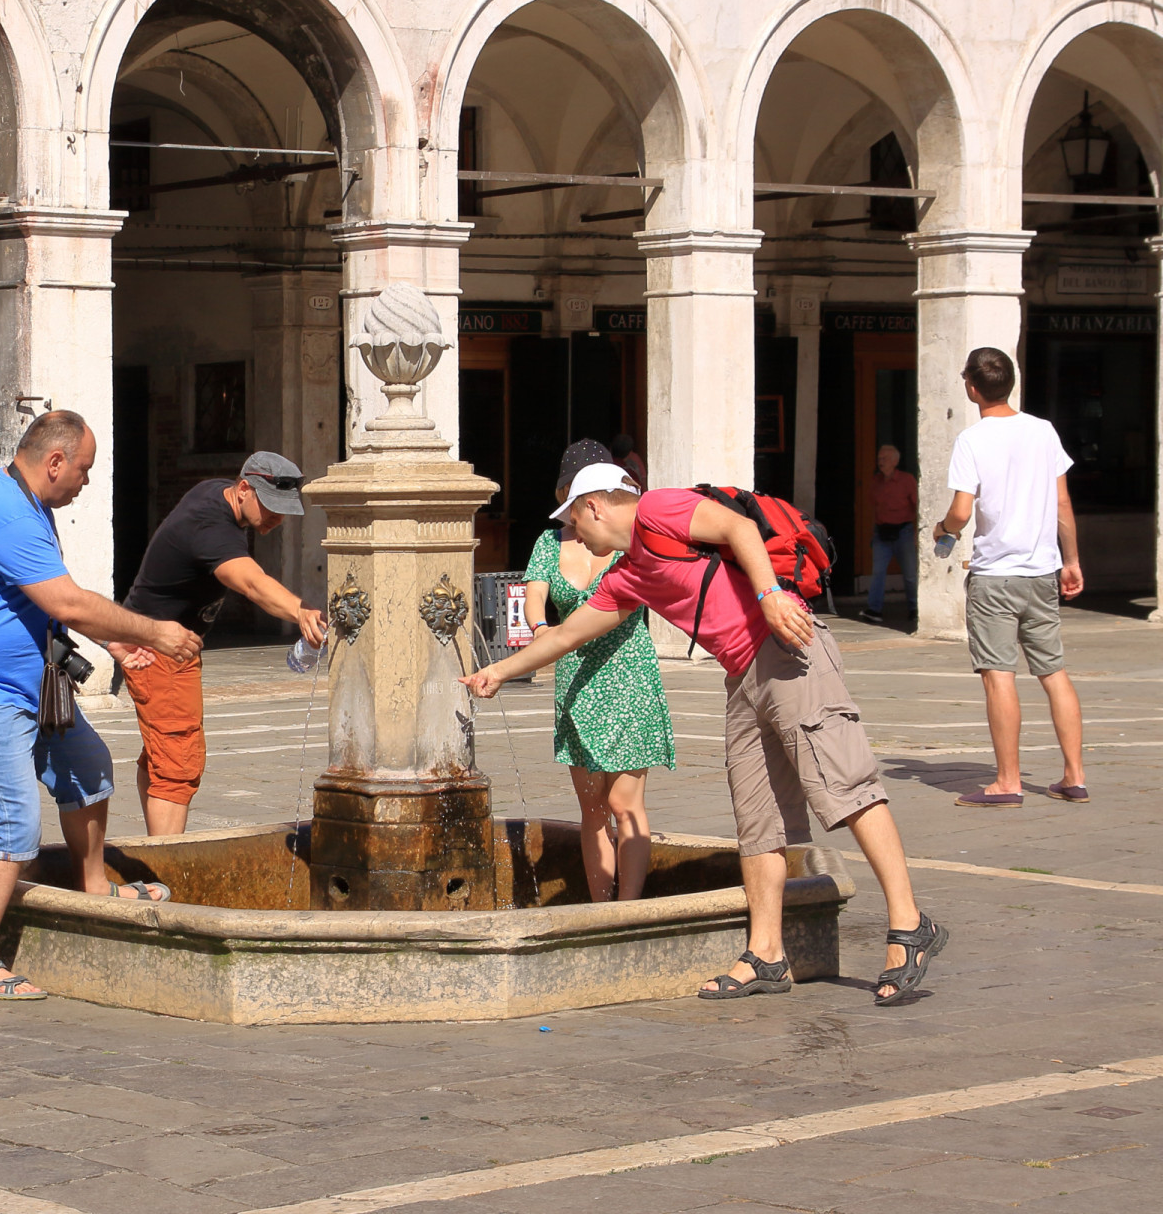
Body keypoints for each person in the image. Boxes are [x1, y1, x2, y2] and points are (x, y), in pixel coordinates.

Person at [464, 463, 947, 1006]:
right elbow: (570, 634)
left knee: (844, 786)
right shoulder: (631, 575)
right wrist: (499, 672)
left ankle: (909, 925)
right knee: (758, 817)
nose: (573, 531)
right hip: (741, 676)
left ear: (595, 506)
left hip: (788, 651)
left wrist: (768, 595)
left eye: (575, 518)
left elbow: (738, 529)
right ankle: (766, 953)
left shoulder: (660, 509)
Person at [0, 410, 202, 1001]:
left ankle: (94, 886)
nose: (87, 482)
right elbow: (69, 602)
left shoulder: (29, 506)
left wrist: (115, 639)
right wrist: (154, 632)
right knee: (14, 821)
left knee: (90, 771)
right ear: (54, 462)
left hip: (30, 687)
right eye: (84, 469)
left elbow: (50, 605)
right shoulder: (4, 511)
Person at [111, 451, 327, 835]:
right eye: (271, 507)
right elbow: (251, 583)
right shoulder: (210, 524)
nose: (277, 520)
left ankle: (156, 850)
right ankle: (166, 868)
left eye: (284, 511)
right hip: (158, 651)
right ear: (244, 489)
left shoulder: (214, 494)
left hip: (160, 643)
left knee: (162, 757)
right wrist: (301, 611)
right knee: (178, 765)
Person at [932, 347, 1087, 807]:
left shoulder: (973, 440)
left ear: (972, 387)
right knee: (1053, 671)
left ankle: (1007, 781)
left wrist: (943, 530)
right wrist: (1071, 559)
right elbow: (1062, 503)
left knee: (999, 674)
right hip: (1041, 570)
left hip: (996, 574)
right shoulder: (1044, 431)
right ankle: (1074, 776)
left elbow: (962, 511)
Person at [521, 444, 674, 901]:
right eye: (565, 488)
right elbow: (534, 599)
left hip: (629, 675)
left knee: (624, 803)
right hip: (577, 681)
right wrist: (540, 629)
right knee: (592, 808)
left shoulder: (630, 539)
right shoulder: (548, 543)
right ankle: (600, 908)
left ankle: (627, 909)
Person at [863, 444, 918, 624]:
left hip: (904, 531)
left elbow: (917, 507)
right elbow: (874, 508)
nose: (881, 462)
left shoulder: (907, 480)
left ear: (895, 461)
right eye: (879, 459)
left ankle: (914, 608)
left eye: (885, 459)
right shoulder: (876, 482)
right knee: (878, 572)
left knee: (910, 573)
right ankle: (874, 610)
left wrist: (917, 534)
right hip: (882, 532)